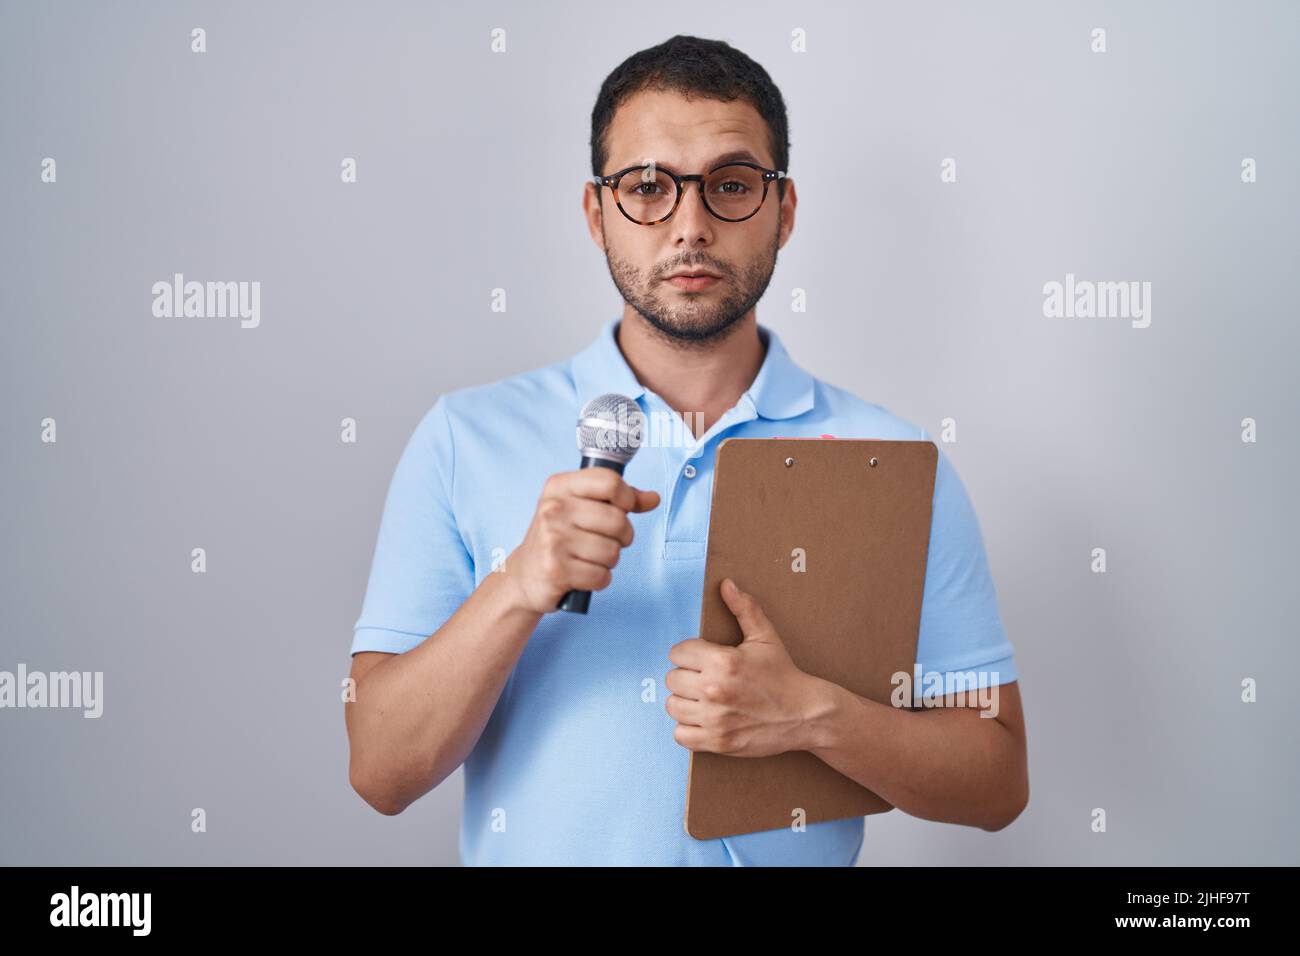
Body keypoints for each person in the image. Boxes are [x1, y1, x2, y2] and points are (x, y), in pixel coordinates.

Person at [344, 34, 1028, 866]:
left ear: (785, 210)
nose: (691, 227)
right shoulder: (463, 437)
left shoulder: (895, 460)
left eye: (732, 185)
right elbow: (381, 771)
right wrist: (518, 585)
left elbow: (997, 780)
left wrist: (816, 716)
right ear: (597, 214)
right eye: (648, 188)